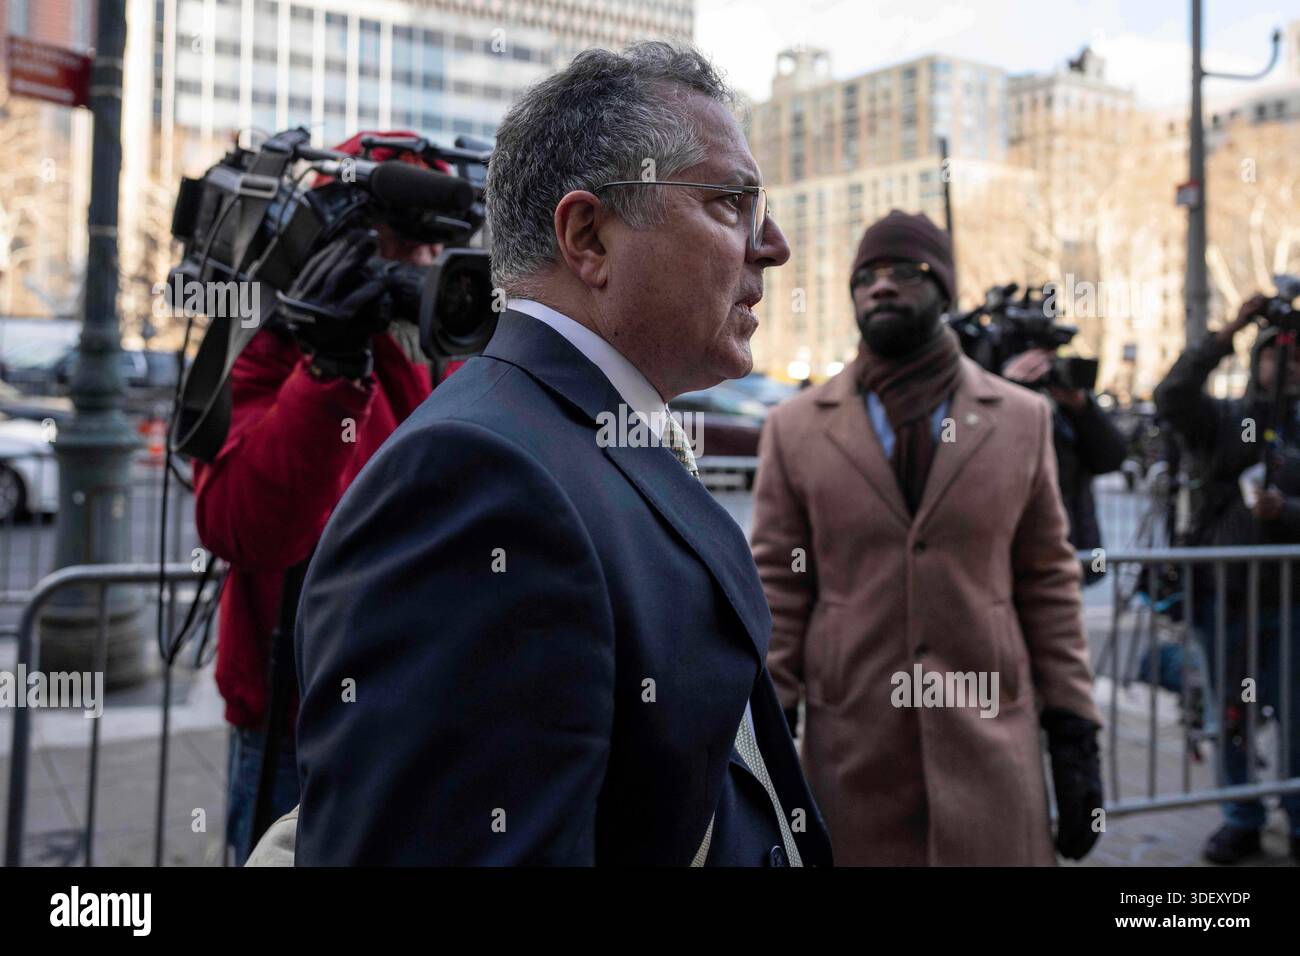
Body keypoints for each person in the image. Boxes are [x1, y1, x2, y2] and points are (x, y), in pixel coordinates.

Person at [290, 42, 832, 866]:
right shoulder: (476, 481)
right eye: (731, 202)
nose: (775, 244)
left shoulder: (575, 434)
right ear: (588, 236)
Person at [750, 209, 1103, 865]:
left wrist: (1074, 731)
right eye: (867, 277)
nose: (881, 287)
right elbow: (780, 585)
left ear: (943, 289)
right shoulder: (794, 428)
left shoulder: (1023, 419)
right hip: (854, 747)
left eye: (904, 272)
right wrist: (773, 724)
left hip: (991, 748)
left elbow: (1048, 580)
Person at [192, 132, 436, 866]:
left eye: (438, 242)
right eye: (404, 240)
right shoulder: (272, 340)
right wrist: (332, 365)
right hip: (293, 731)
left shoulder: (442, 342)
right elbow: (241, 526)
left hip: (423, 715)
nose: (422, 263)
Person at [1153, 292, 1300, 864]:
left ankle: (1295, 812)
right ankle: (1241, 814)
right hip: (1226, 600)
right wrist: (1230, 329)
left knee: (1295, 717)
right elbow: (1172, 396)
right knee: (1234, 714)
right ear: (1258, 358)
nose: (1289, 366)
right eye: (1281, 353)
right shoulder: (1224, 421)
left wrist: (1284, 512)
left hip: (1291, 602)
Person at [1001, 348, 1127, 583]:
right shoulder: (989, 392)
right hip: (1008, 552)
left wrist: (1081, 407)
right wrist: (1008, 390)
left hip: (1068, 552)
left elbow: (1112, 457)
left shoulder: (1068, 408)